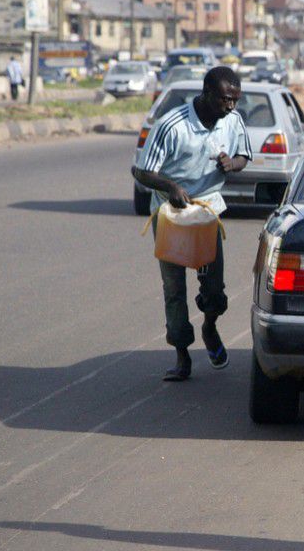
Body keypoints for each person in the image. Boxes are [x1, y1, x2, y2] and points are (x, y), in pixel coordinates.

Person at [131, 67, 253, 381]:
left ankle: (210, 327)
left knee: (213, 288)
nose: (230, 107)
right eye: (225, 99)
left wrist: (232, 164)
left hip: (207, 212)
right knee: (174, 288)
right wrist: (171, 188)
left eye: (235, 100)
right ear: (206, 93)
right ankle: (182, 353)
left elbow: (243, 155)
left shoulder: (233, 121)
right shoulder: (172, 125)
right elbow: (141, 171)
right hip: (170, 215)